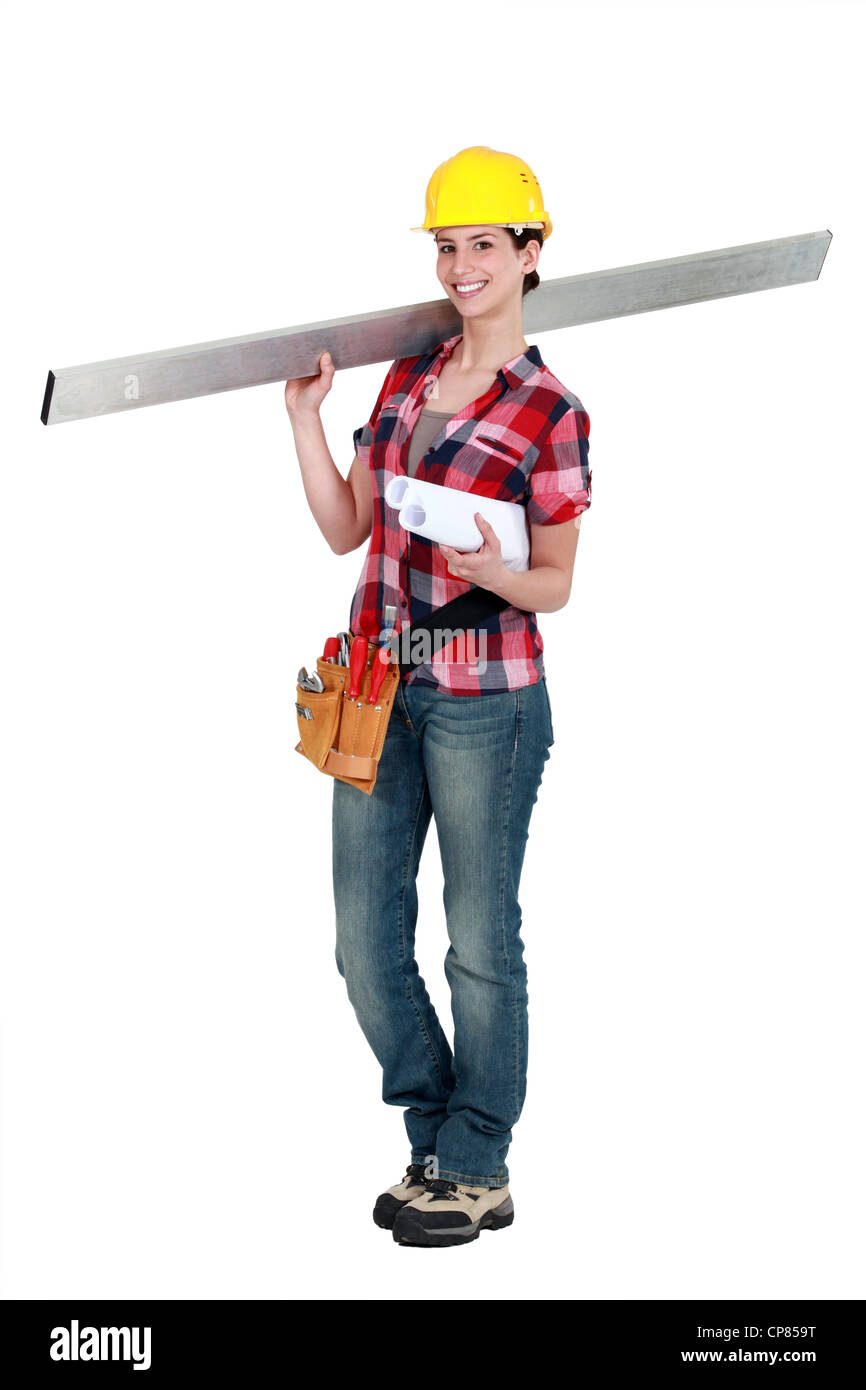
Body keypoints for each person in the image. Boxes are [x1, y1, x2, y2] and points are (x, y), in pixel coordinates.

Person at [284, 146, 592, 1247]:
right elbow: (342, 529)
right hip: (378, 685)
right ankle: (436, 1139)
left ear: (528, 252)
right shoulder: (406, 379)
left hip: (485, 702)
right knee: (363, 943)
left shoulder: (550, 409)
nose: (461, 265)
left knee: (477, 941)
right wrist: (305, 421)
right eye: (446, 246)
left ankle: (471, 1163)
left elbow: (552, 583)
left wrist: (492, 573)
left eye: (481, 245)